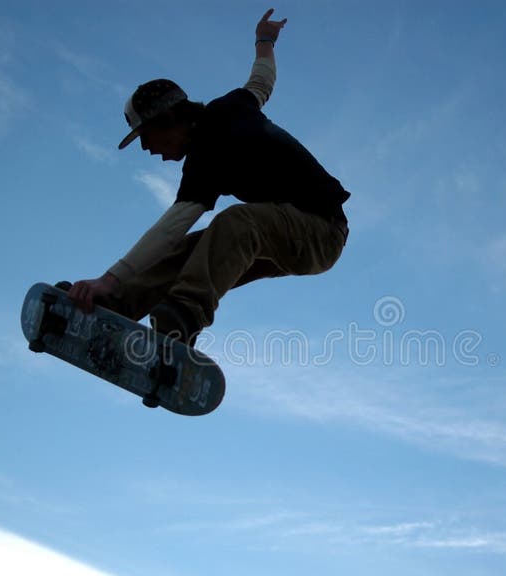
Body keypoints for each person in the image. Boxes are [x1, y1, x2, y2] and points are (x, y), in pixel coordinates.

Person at [66, 8, 350, 347]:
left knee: (237, 223)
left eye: (146, 137)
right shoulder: (227, 112)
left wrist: (109, 277)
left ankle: (182, 316)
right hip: (281, 233)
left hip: (321, 231)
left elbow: (171, 226)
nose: (146, 149)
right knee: (193, 251)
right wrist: (264, 41)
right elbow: (261, 82)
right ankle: (113, 308)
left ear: (169, 118)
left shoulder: (216, 131)